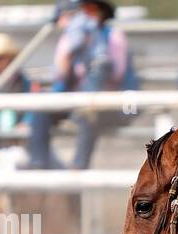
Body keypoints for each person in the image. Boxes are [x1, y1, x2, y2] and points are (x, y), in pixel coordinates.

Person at [27, 0, 139, 170]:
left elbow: (116, 75)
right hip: (75, 99)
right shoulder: (70, 38)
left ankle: (77, 168)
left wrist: (94, 56)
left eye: (90, 10)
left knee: (88, 114)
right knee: (42, 109)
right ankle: (38, 162)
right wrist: (71, 52)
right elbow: (60, 76)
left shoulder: (112, 36)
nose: (85, 15)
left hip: (107, 102)